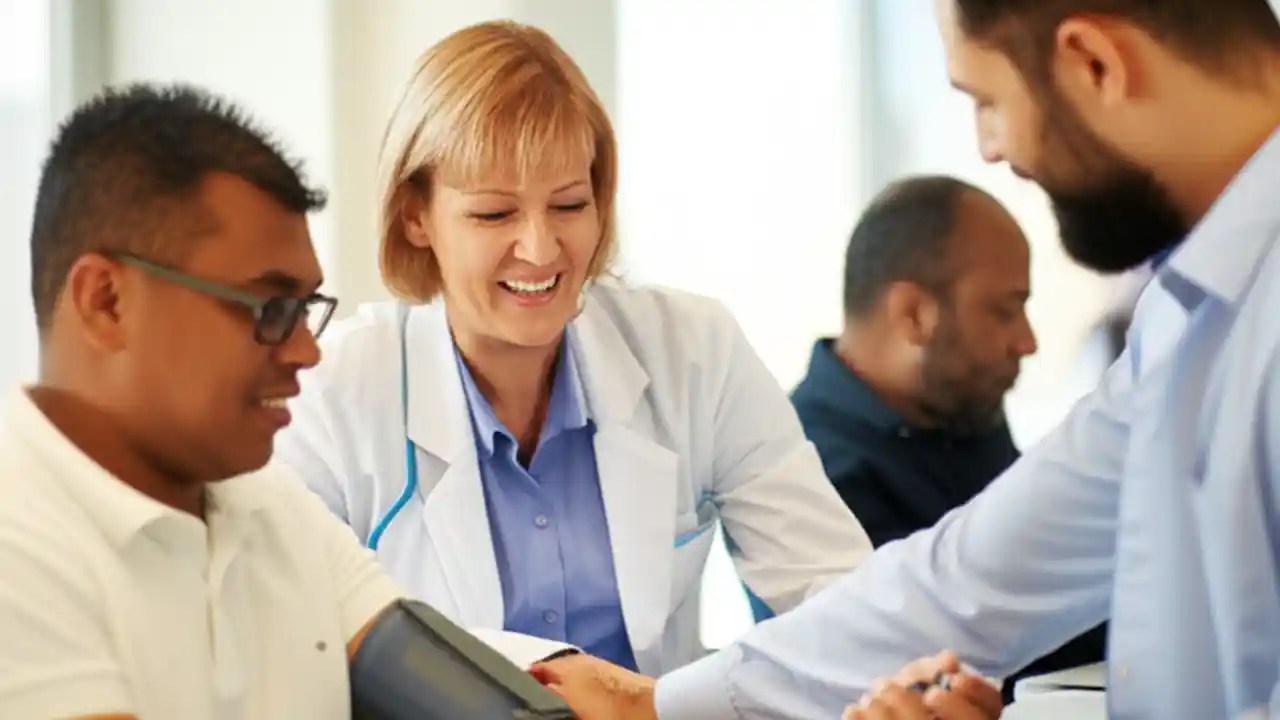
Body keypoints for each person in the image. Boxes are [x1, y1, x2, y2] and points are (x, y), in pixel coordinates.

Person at [532, 0, 1280, 717]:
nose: (991, 147)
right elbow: (971, 580)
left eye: (985, 99)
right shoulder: (1188, 322)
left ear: (1093, 63)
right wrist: (656, 705)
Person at [274, 19, 873, 678]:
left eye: (567, 204)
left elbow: (831, 589)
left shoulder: (694, 351)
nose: (539, 249)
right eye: (494, 214)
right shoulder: (336, 394)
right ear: (416, 215)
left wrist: (902, 678)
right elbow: (294, 645)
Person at [0, 83, 410, 718]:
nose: (308, 351)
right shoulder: (17, 538)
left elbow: (458, 691)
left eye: (305, 311)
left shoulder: (267, 501)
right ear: (106, 302)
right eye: (271, 308)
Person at [792, 174, 1105, 702]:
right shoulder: (800, 465)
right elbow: (918, 667)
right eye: (1005, 310)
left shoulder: (962, 405)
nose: (1027, 342)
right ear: (914, 314)